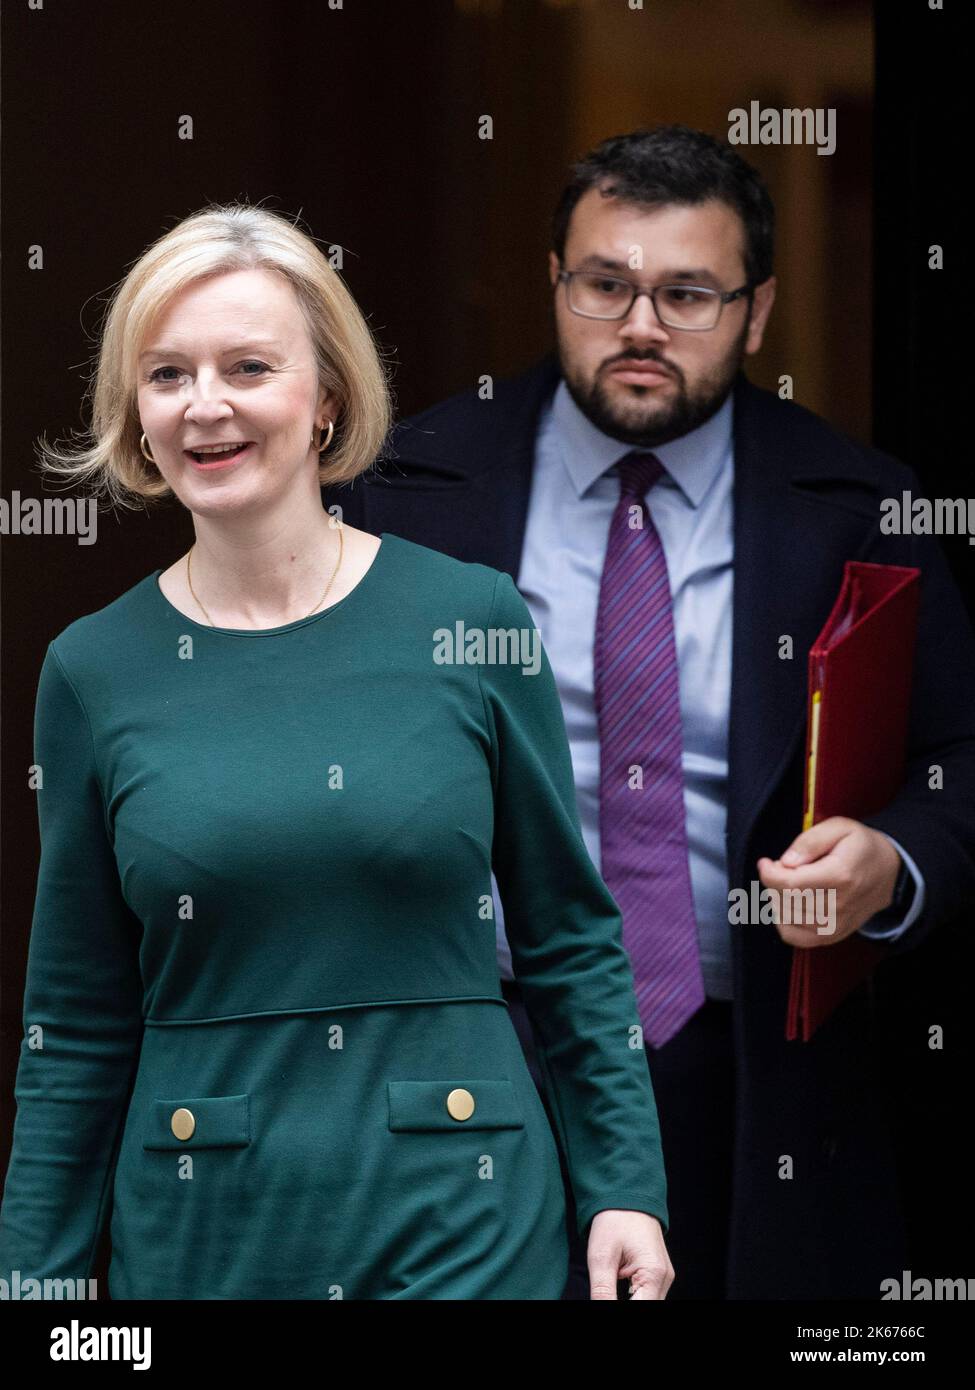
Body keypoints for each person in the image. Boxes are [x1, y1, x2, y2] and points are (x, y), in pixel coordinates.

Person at [328, 126, 975, 1299]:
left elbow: (958, 757)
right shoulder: (404, 489)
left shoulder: (865, 505)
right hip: (474, 1049)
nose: (640, 325)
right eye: (606, 284)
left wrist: (894, 859)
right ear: (557, 284)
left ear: (758, 312)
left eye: (687, 294)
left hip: (750, 1064)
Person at [0, 203, 675, 1300]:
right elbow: (73, 1023)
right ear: (134, 411)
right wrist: (39, 1287)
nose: (205, 406)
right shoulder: (92, 669)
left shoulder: (474, 620)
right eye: (166, 375)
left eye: (249, 366)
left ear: (326, 399)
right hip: (205, 1237)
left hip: (469, 1217)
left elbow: (571, 943)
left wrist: (626, 1189)